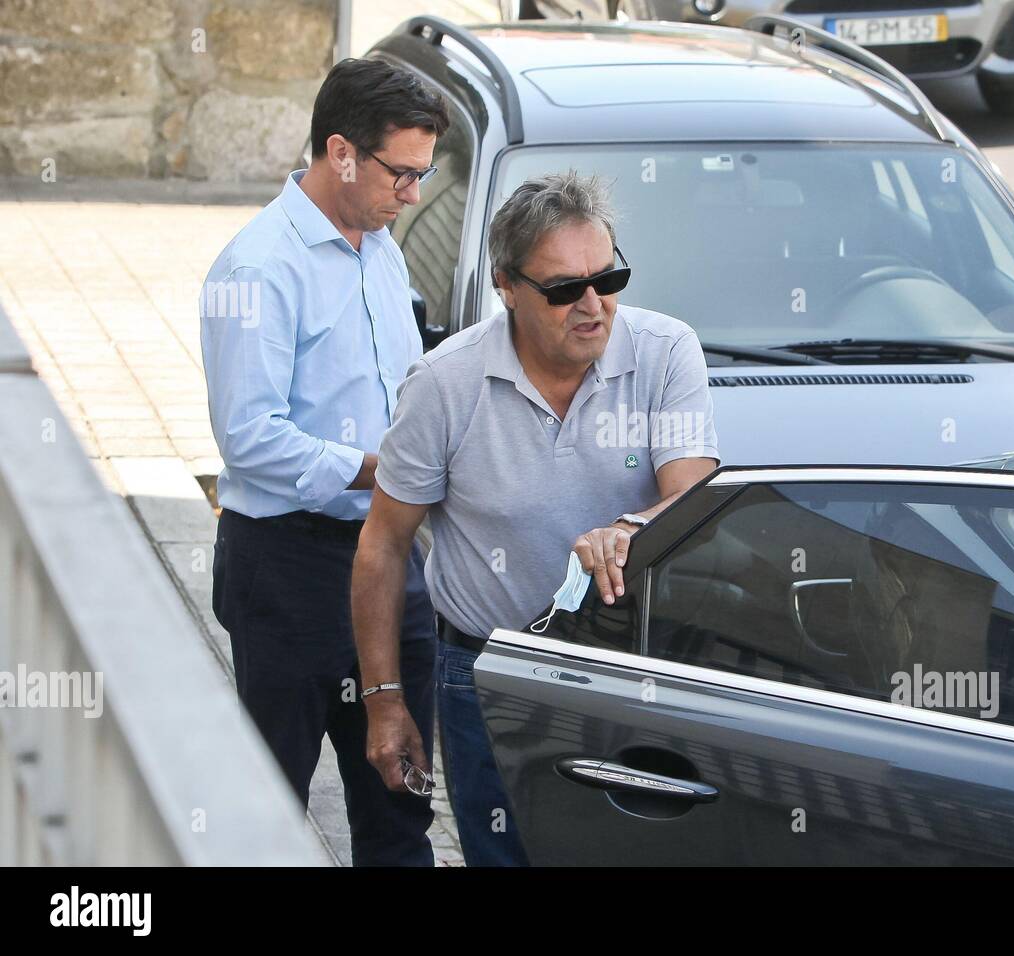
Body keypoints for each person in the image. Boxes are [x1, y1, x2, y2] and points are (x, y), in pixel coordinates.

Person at [352, 171, 720, 866]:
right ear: (507, 286)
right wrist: (383, 701)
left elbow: (692, 502)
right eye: (561, 289)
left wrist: (632, 528)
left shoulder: (667, 351)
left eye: (607, 279)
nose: (592, 305)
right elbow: (383, 542)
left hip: (632, 669)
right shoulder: (443, 385)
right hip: (487, 673)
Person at [200, 58, 449, 866]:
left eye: (423, 174)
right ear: (340, 152)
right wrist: (381, 467)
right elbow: (249, 436)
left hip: (387, 555)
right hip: (288, 568)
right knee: (271, 805)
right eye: (402, 173)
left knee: (402, 794)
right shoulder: (257, 267)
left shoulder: (381, 248)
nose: (414, 195)